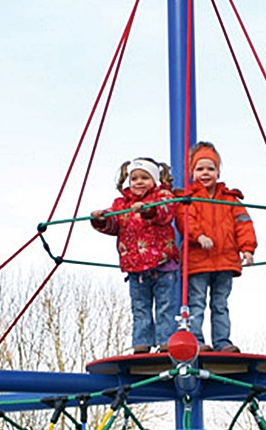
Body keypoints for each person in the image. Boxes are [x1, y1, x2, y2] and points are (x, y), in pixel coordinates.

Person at [91, 157, 179, 353]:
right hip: (135, 266)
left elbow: (165, 213)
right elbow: (115, 225)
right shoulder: (122, 204)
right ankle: (142, 342)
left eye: (145, 178)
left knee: (165, 306)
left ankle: (166, 342)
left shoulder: (162, 197)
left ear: (154, 180)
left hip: (162, 262)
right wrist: (101, 219)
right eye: (134, 178)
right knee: (140, 307)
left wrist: (147, 210)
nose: (139, 182)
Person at [182, 141, 256, 352]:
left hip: (225, 259)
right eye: (200, 169)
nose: (205, 173)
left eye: (210, 168)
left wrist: (247, 248)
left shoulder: (230, 199)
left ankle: (222, 341)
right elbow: (185, 220)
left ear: (218, 171)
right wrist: (199, 236)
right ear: (192, 172)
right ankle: (196, 339)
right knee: (196, 302)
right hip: (199, 260)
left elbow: (244, 224)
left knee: (220, 304)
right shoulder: (190, 197)